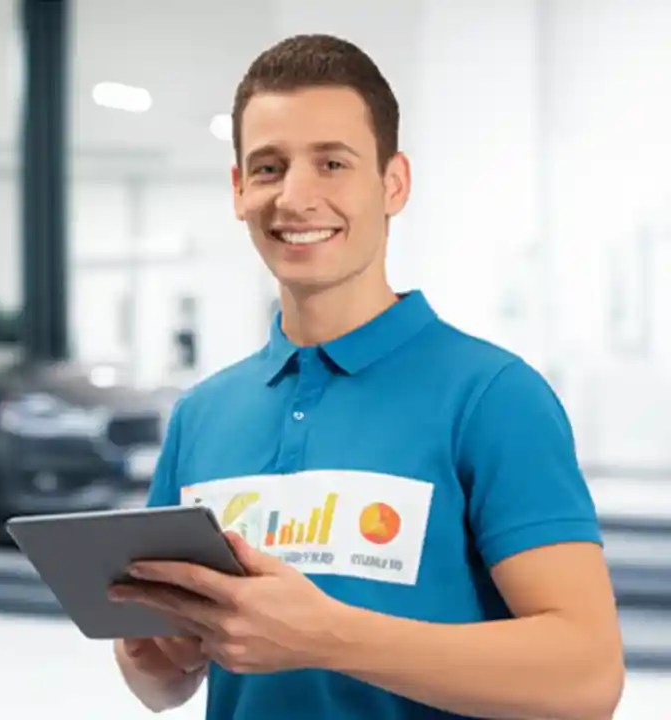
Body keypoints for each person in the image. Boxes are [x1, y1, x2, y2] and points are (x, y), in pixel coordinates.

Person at [110, 34, 625, 720]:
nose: (295, 197)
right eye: (268, 167)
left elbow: (587, 678)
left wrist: (328, 637)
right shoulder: (203, 413)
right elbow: (165, 686)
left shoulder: (492, 397)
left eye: (332, 163)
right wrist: (151, 658)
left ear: (393, 183)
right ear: (238, 190)